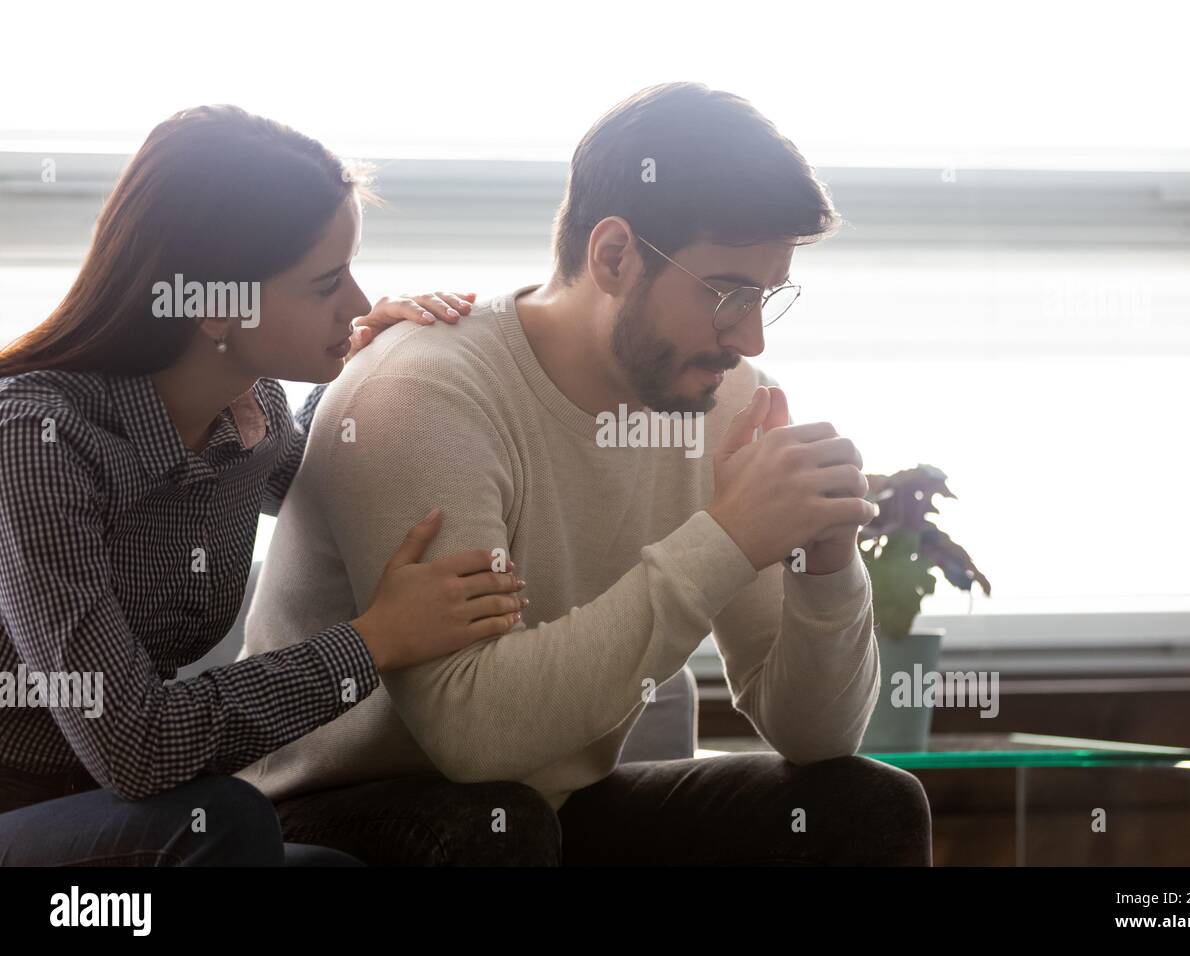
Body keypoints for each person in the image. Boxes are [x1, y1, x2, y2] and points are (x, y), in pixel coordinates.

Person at [242, 83, 932, 865]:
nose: (751, 338)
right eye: (727, 293)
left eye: (766, 296)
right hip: (330, 809)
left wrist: (825, 568)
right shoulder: (423, 394)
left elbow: (817, 734)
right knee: (493, 824)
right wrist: (730, 537)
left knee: (866, 804)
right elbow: (471, 737)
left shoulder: (727, 396)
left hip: (548, 803)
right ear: (613, 255)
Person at [0, 105, 557, 866]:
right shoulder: (38, 441)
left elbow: (326, 484)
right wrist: (376, 640)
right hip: (37, 807)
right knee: (226, 821)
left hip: (132, 814)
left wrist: (372, 368)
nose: (360, 301)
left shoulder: (252, 407)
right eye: (326, 283)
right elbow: (138, 748)